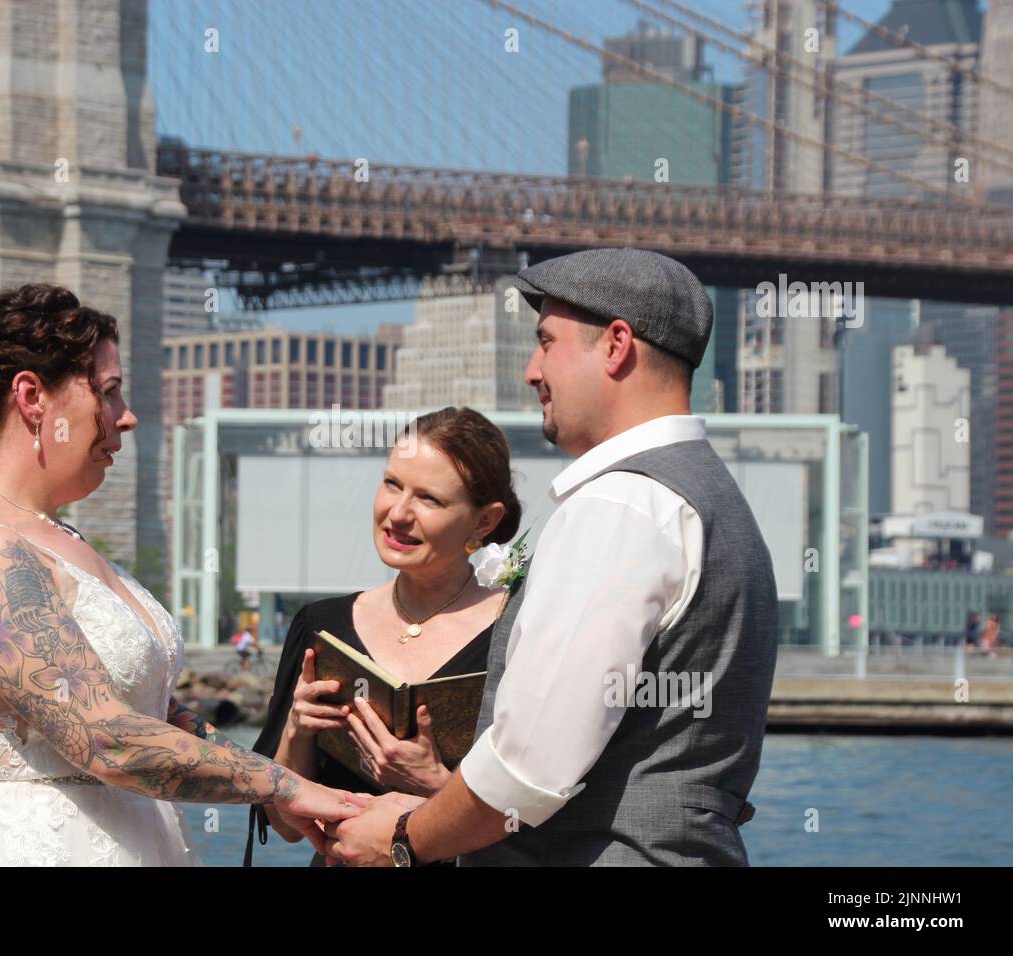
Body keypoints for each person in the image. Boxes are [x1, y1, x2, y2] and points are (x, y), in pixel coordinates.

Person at [325, 247, 780, 866]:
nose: (532, 370)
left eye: (547, 342)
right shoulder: (713, 498)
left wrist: (401, 839)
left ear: (617, 345)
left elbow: (531, 763)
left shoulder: (621, 505)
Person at [0, 283, 365, 866]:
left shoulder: (60, 541)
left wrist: (281, 783)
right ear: (33, 397)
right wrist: (286, 787)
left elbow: (153, 718)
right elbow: (105, 739)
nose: (128, 417)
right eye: (109, 394)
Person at [244, 406, 523, 866]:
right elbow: (284, 828)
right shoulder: (320, 625)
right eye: (392, 484)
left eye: (429, 499)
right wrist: (296, 730)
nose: (397, 513)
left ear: (484, 522)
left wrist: (433, 782)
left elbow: (541, 816)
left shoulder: (517, 630)